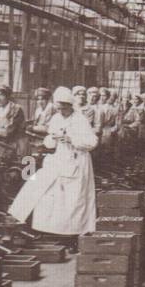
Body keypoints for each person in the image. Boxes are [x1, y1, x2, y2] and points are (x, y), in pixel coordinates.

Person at [9, 86, 98, 237]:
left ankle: (72, 231)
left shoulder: (79, 119)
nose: (61, 112)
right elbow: (49, 141)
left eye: (63, 109)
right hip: (59, 158)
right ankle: (44, 227)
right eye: (58, 109)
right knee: (39, 186)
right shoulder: (56, 118)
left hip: (77, 159)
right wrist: (52, 138)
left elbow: (92, 142)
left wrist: (72, 140)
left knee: (72, 198)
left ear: (70, 106)